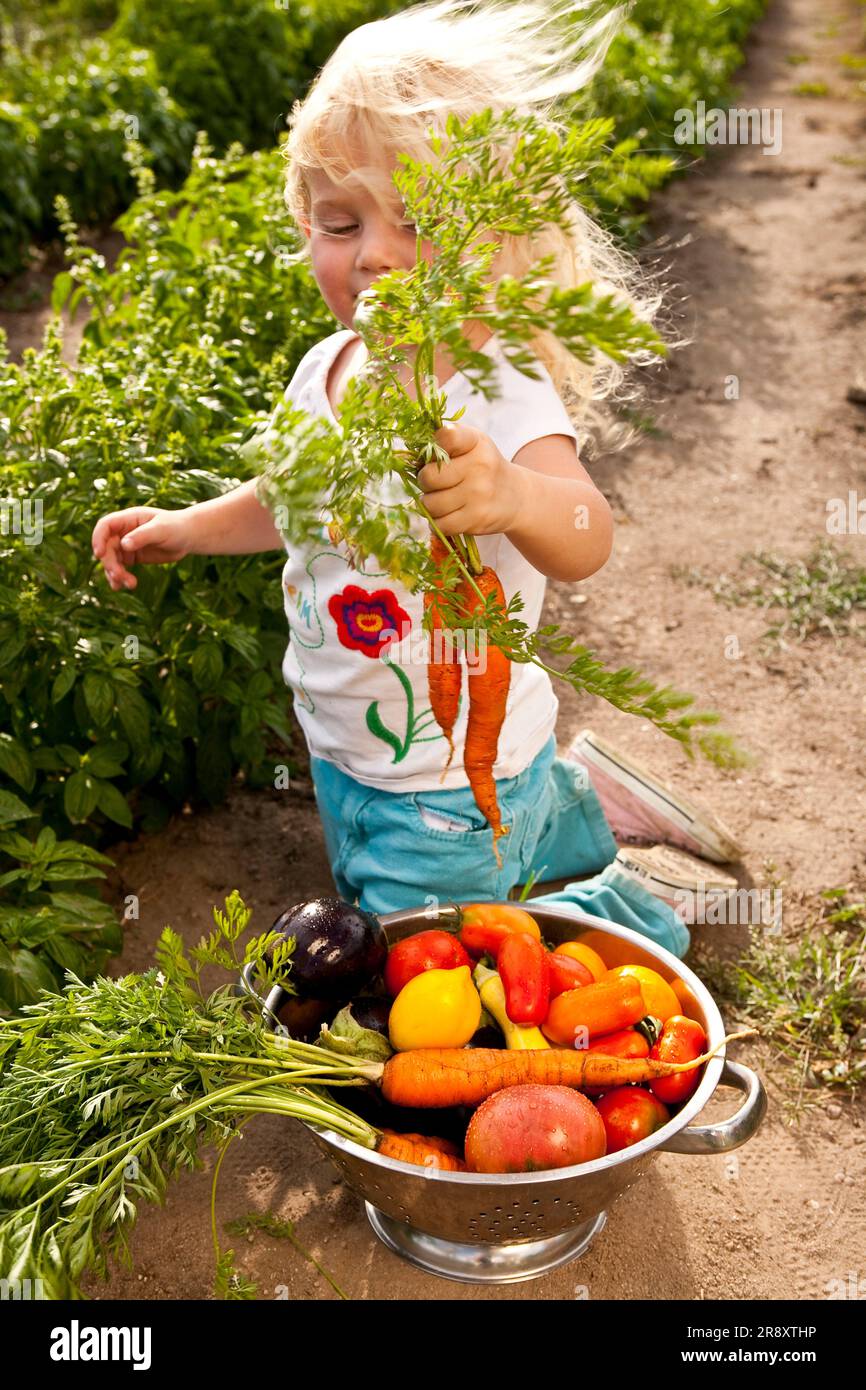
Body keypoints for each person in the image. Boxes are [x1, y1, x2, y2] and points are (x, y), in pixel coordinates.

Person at [91, 0, 740, 958]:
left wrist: (516, 500)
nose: (376, 254)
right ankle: (578, 805)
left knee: (440, 951)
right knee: (439, 856)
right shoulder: (328, 369)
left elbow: (586, 532)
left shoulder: (502, 384)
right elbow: (292, 499)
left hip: (448, 783)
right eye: (339, 222)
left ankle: (625, 908)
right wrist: (189, 525)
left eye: (420, 224)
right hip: (347, 744)